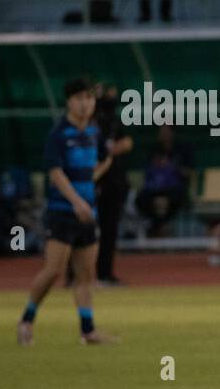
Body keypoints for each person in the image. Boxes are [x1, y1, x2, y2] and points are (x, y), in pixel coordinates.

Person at [17, 78, 117, 347]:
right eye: (80, 98)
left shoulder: (94, 133)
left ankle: (88, 330)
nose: (85, 104)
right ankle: (27, 320)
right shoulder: (59, 134)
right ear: (69, 101)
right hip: (63, 212)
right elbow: (55, 174)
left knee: (86, 274)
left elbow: (98, 164)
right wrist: (76, 201)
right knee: (54, 271)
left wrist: (94, 179)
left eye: (89, 98)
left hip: (87, 212)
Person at [95, 84, 135, 284]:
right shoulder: (88, 123)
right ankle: (76, 275)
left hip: (114, 183)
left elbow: (127, 142)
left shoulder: (113, 122)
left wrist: (111, 150)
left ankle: (104, 273)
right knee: (83, 230)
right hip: (92, 184)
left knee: (109, 230)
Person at [135, 124, 194, 236]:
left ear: (172, 132)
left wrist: (171, 166)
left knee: (174, 199)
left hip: (174, 188)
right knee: (142, 199)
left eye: (166, 131)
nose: (163, 134)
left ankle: (160, 228)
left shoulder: (183, 149)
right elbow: (147, 173)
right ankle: (158, 228)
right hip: (155, 188)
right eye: (161, 131)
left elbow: (188, 172)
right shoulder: (154, 149)